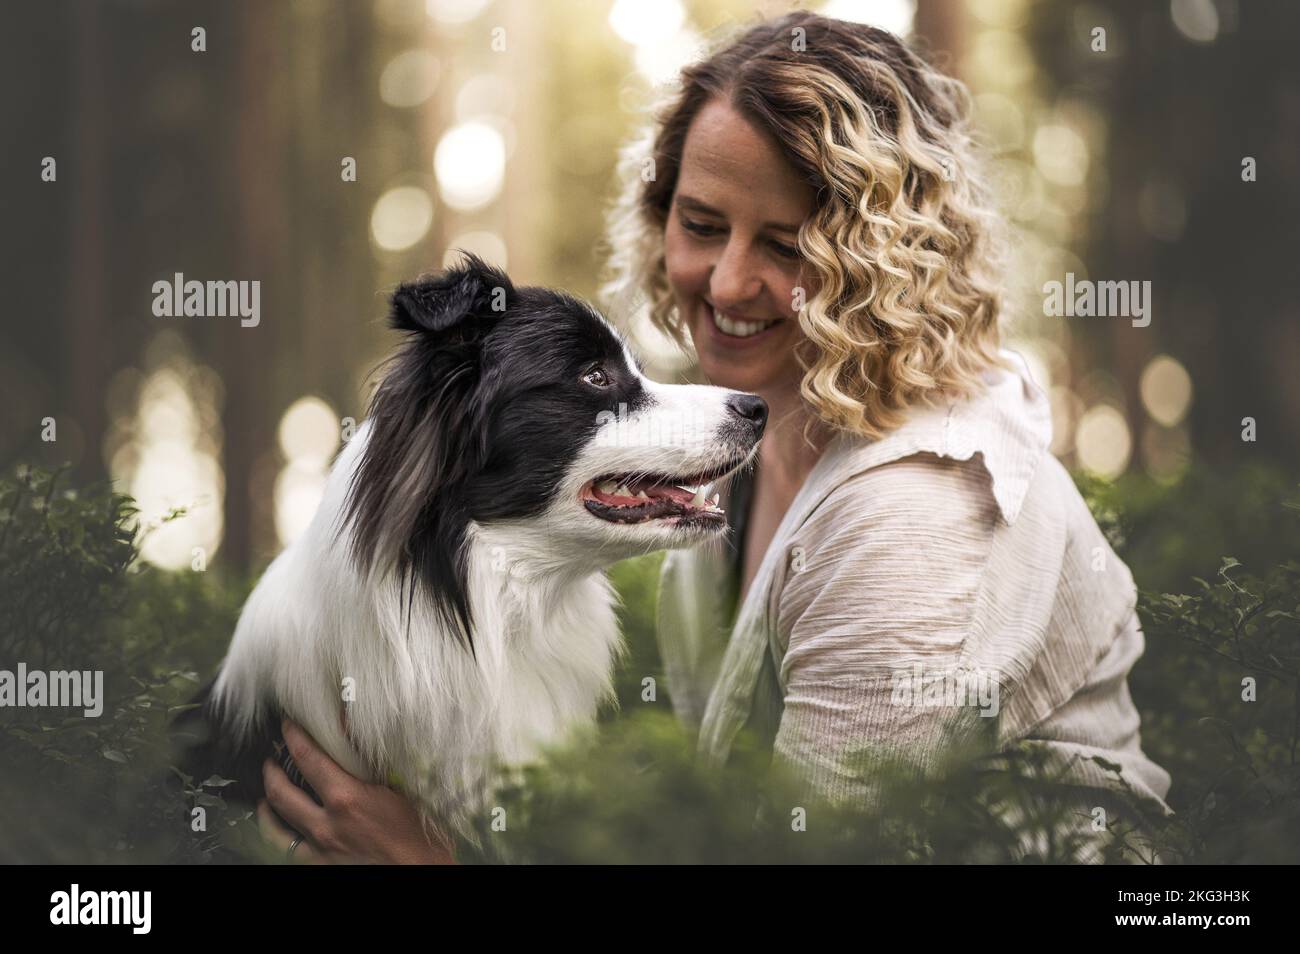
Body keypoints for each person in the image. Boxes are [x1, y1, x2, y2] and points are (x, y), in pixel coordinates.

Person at [260, 11, 1172, 863]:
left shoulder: (911, 512)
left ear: (879, 259)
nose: (728, 284)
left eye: (786, 246)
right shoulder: (729, 449)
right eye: (701, 226)